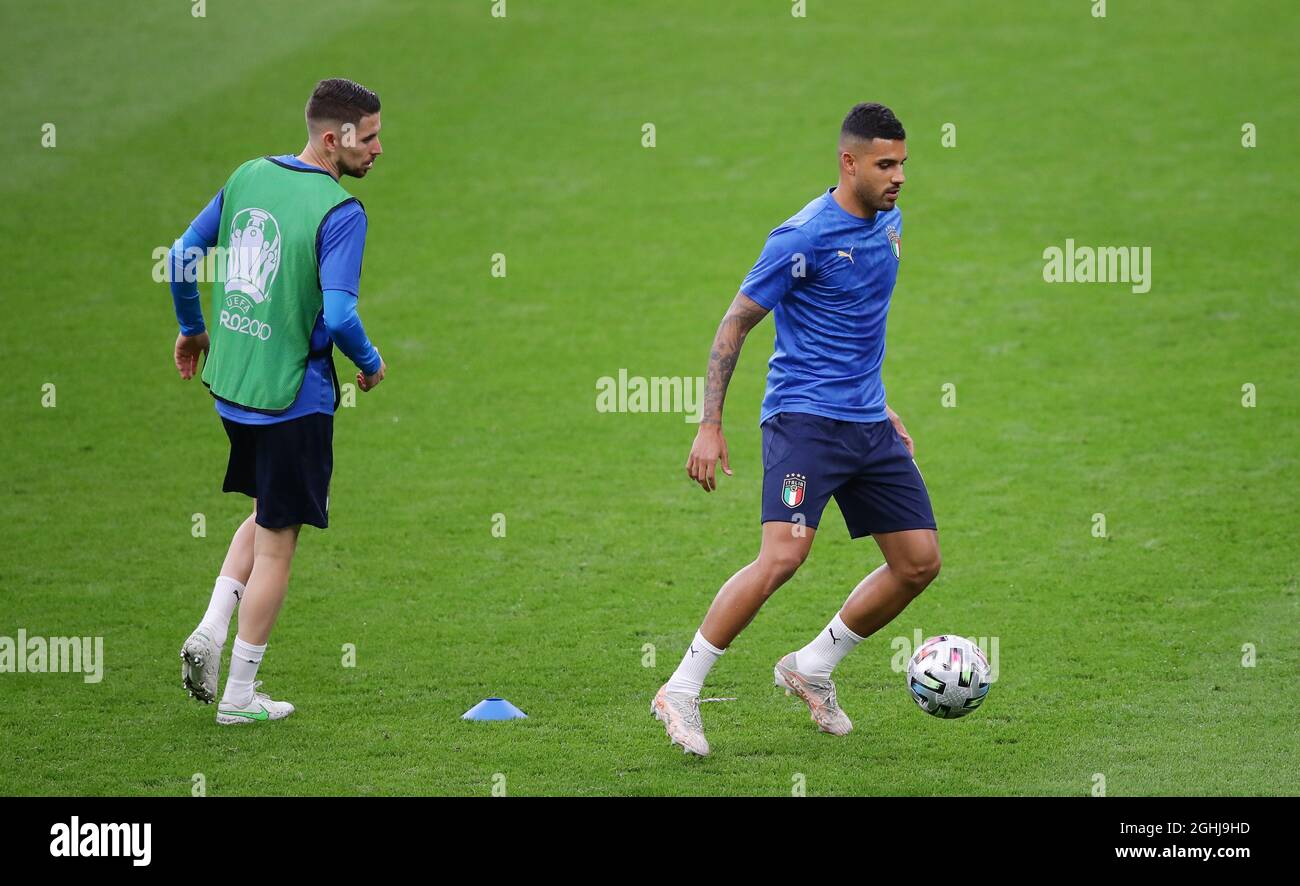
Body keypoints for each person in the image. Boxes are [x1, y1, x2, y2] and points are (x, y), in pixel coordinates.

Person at [652, 103, 939, 756]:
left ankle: (811, 666)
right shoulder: (802, 237)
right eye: (884, 164)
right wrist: (709, 425)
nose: (898, 177)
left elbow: (860, 322)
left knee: (918, 562)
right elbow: (735, 324)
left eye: (903, 164)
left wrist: (883, 405)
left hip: (868, 424)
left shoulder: (890, 219)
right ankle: (680, 689)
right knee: (784, 555)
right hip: (804, 425)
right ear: (849, 162)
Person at [168, 78, 387, 725]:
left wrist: (192, 328)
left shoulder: (248, 175)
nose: (379, 149)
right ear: (332, 140)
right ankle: (238, 698)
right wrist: (370, 364)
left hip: (235, 388)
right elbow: (342, 317)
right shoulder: (340, 212)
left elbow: (182, 257)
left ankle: (210, 629)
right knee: (279, 543)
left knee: (267, 510)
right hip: (294, 398)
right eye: (369, 138)